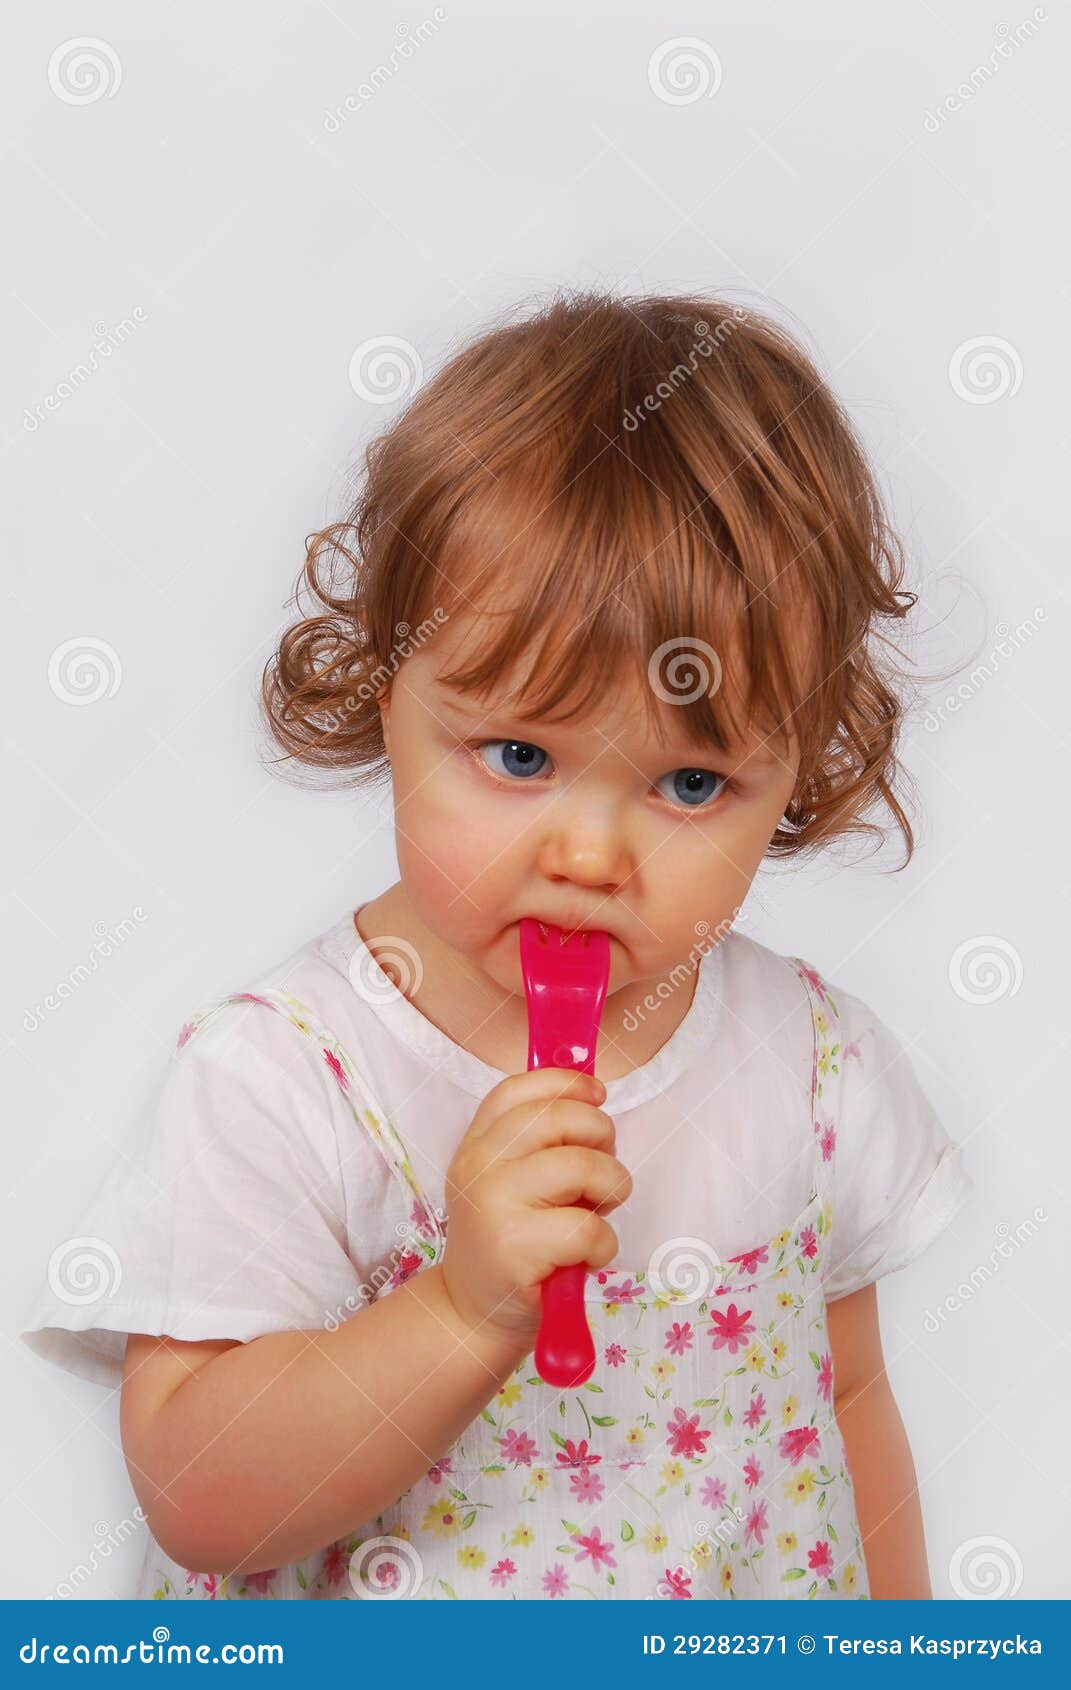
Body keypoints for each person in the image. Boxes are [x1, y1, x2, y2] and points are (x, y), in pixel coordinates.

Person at [20, 289, 973, 1600]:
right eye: (520, 755)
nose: (590, 855)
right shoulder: (283, 1081)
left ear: (801, 767)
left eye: (691, 784)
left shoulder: (815, 1068)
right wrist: (459, 1311)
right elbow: (202, 1499)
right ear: (383, 687)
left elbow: (846, 1393)